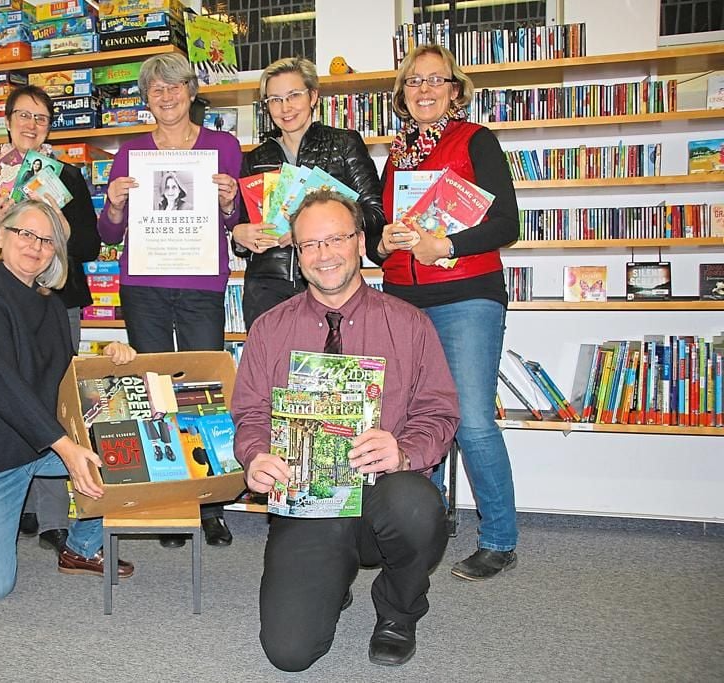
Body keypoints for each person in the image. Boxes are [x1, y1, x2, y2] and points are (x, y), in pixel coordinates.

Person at [231, 189, 458, 670]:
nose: (324, 255)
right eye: (310, 245)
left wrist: (402, 451)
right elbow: (250, 413)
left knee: (418, 508)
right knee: (289, 653)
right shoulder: (270, 328)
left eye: (336, 239)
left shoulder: (409, 323)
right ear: (296, 254)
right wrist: (256, 457)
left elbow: (439, 412)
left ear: (359, 242)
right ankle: (330, 581)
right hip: (307, 499)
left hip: (384, 489)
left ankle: (399, 609)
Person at [0, 201, 137, 600]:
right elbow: (2, 384)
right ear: (1, 238)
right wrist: (66, 448)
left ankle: (80, 548)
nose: (35, 245)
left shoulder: (52, 305)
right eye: (24, 233)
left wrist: (107, 360)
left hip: (34, 446)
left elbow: (59, 377)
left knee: (119, 448)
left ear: (55, 253)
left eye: (46, 239)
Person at [371, 44, 521, 581]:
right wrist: (383, 244)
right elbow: (377, 241)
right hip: (401, 299)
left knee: (474, 422)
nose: (425, 90)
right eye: (414, 82)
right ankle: (422, 528)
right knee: (411, 421)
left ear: (455, 90)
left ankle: (500, 538)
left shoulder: (477, 140)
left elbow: (507, 223)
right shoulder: (395, 156)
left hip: (466, 294)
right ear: (401, 95)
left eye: (436, 80)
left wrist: (449, 245)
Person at [98, 52, 242, 548]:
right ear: (146, 97)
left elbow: (233, 224)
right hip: (144, 284)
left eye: (175, 86)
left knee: (204, 388)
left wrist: (228, 201)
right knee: (152, 389)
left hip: (201, 282)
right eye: (156, 88)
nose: (167, 95)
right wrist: (114, 202)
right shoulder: (131, 152)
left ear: (192, 90)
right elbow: (108, 232)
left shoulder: (223, 147)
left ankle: (209, 505)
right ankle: (166, 499)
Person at [0, 84, 101, 553]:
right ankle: (16, 506)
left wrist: (59, 224)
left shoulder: (68, 177)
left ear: (50, 125)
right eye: (23, 115)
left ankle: (55, 519)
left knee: (54, 399)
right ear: (8, 121)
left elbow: (90, 248)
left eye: (41, 117)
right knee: (1, 394)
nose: (31, 124)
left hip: (52, 301)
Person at [232, 57, 384, 330]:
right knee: (272, 370)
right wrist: (240, 237)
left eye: (294, 96)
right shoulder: (255, 158)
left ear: (313, 96)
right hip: (267, 288)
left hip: (330, 280)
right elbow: (245, 226)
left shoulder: (343, 143)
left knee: (329, 368)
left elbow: (374, 214)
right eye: (275, 99)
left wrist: (316, 232)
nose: (285, 107)